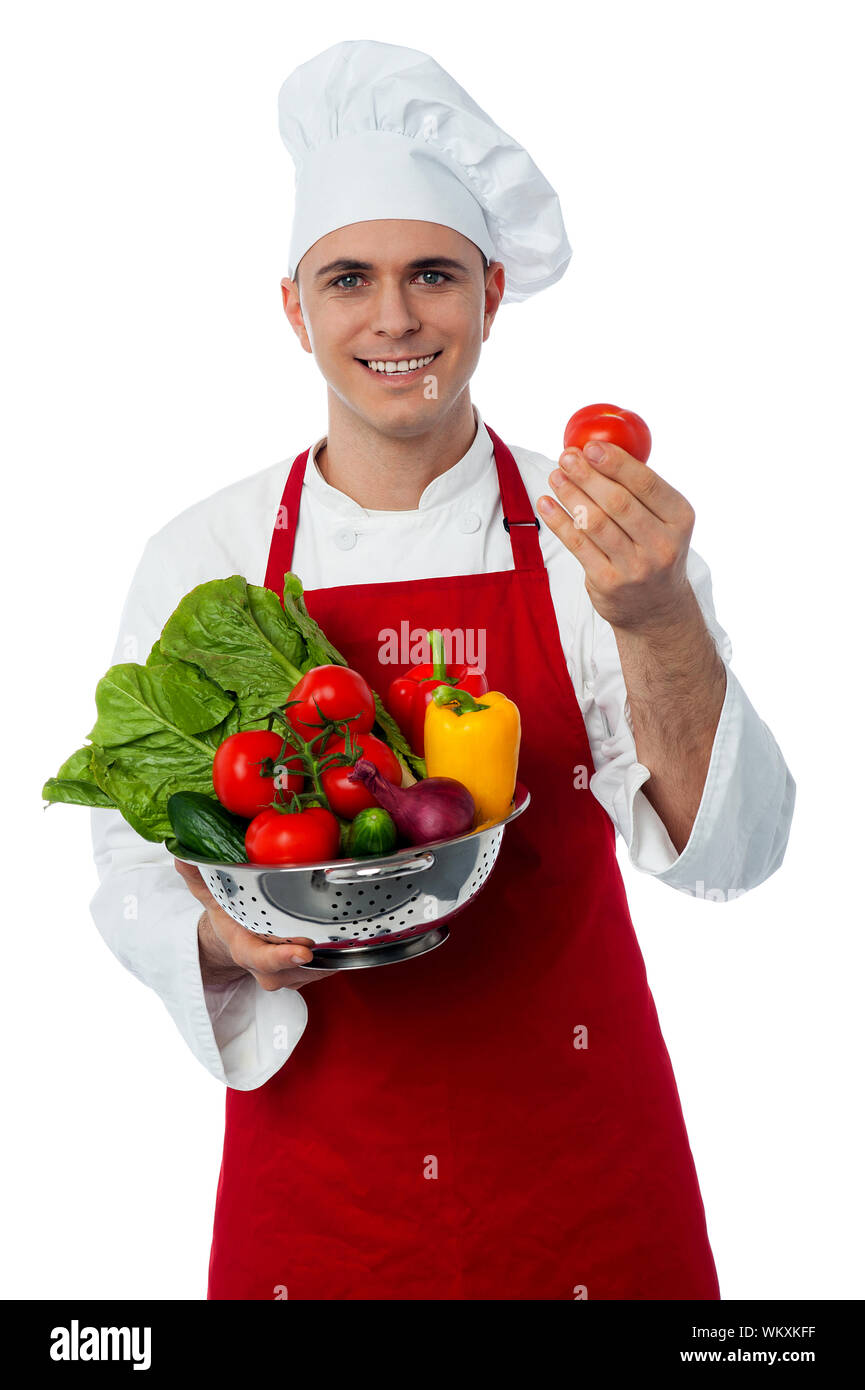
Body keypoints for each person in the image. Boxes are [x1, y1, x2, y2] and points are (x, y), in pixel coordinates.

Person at [89, 39, 795, 1300]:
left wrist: (656, 618)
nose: (396, 317)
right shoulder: (207, 553)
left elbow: (731, 854)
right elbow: (136, 867)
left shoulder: (595, 529)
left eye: (433, 275)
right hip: (323, 1177)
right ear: (294, 307)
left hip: (580, 1159)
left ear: (491, 290)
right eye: (349, 278)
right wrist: (222, 933)